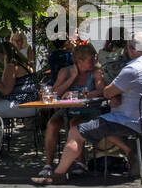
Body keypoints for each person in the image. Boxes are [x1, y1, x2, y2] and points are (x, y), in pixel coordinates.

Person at [32, 30, 142, 185]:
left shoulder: (132, 69)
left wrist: (114, 94)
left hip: (126, 120)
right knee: (68, 124)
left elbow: (107, 92)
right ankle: (129, 151)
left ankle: (58, 174)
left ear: (131, 49)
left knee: (75, 130)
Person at [38, 44, 105, 176]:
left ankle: (81, 163)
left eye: (94, 58)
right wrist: (72, 78)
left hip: (89, 110)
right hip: (67, 110)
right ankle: (48, 164)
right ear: (79, 61)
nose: (94, 62)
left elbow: (101, 91)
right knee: (52, 124)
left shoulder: (96, 72)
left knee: (74, 123)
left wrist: (81, 95)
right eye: (90, 59)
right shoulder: (66, 71)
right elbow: (55, 92)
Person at [0, 31, 37, 142]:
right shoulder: (24, 63)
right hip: (33, 104)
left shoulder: (11, 66)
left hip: (21, 104)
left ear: (2, 55)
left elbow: (6, 90)